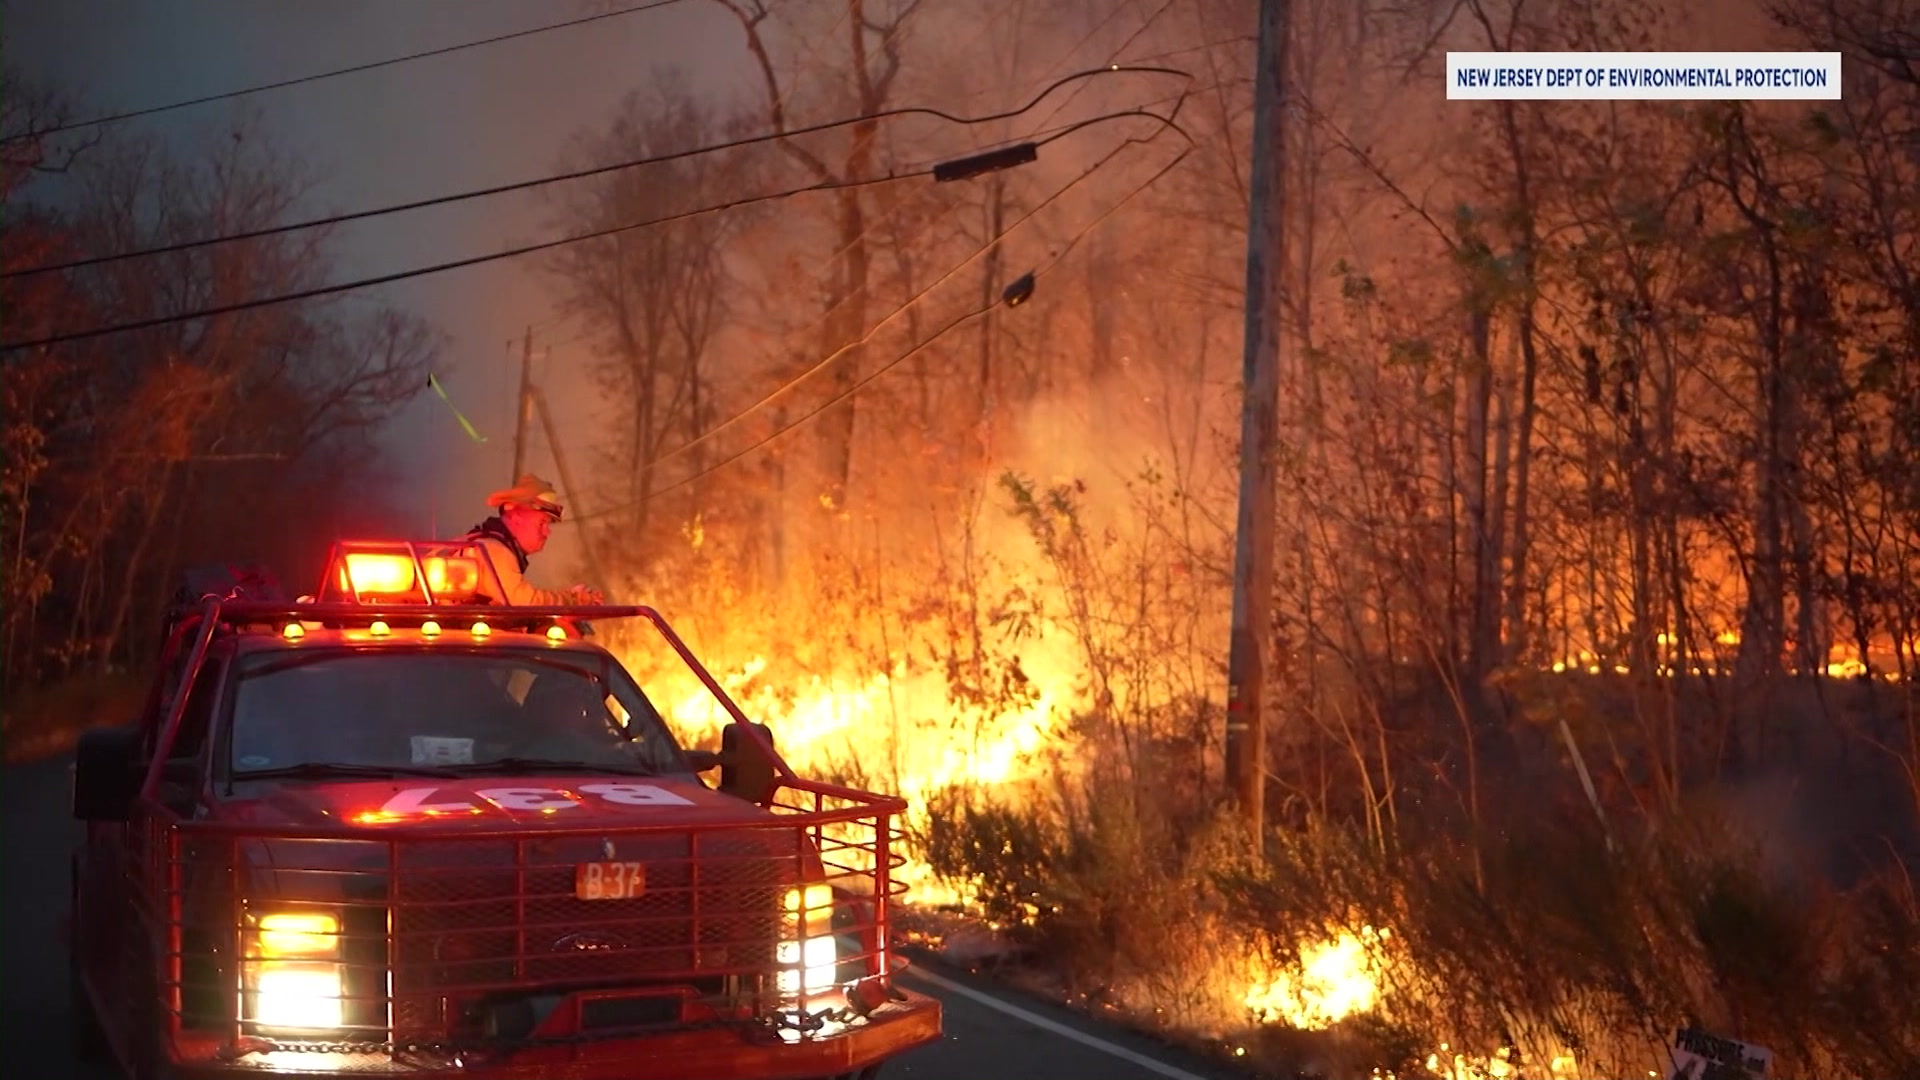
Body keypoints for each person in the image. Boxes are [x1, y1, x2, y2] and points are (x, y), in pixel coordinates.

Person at [465, 473, 605, 607]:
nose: (547, 531)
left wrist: (572, 597)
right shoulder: (493, 551)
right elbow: (524, 603)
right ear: (516, 517)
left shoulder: (482, 544)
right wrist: (573, 601)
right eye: (542, 522)